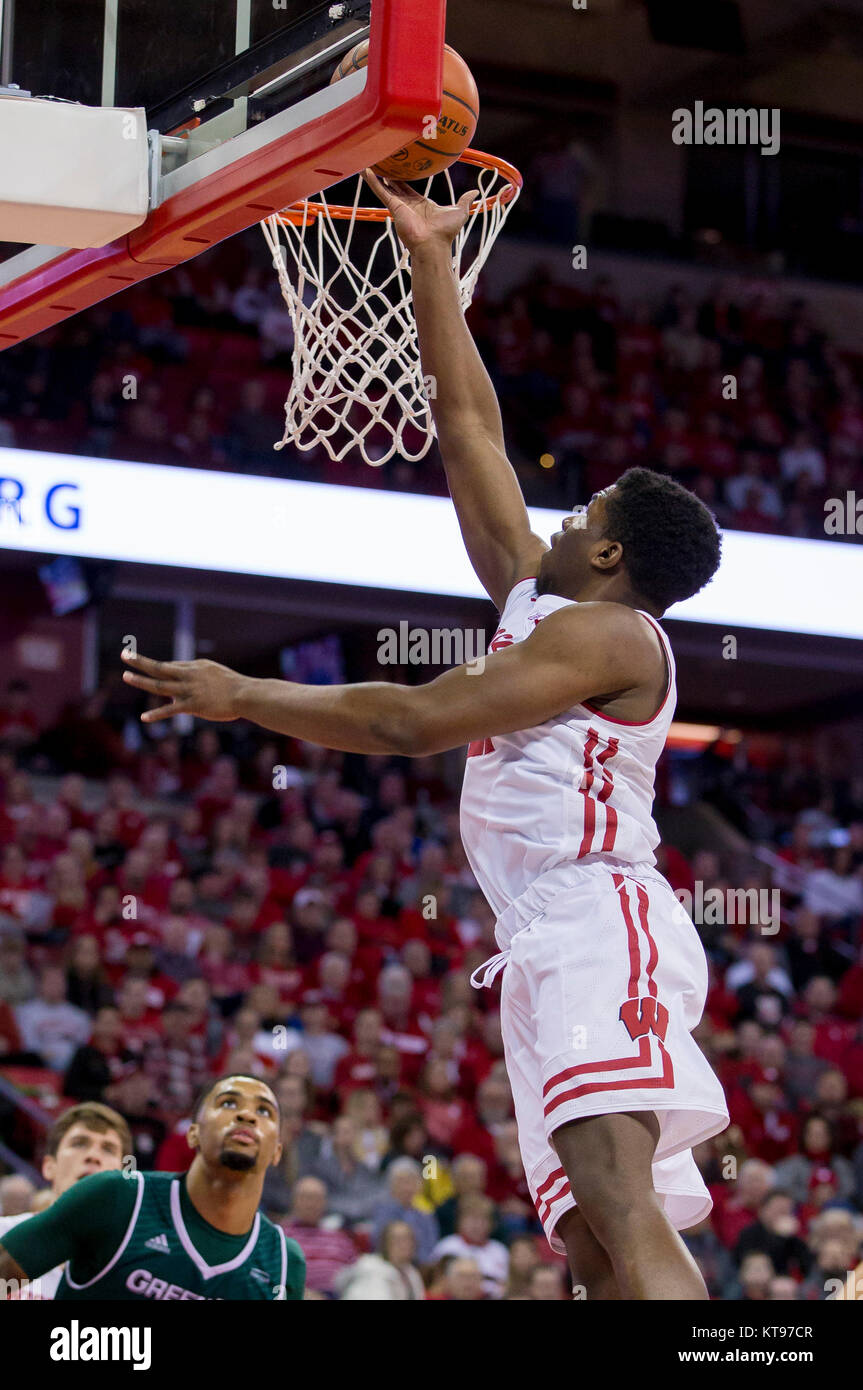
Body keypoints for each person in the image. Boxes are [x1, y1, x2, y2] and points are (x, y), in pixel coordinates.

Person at [119, 173, 729, 1301]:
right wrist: (430, 258)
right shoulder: (541, 609)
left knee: (616, 1192)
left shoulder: (613, 637)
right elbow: (466, 429)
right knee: (590, 1240)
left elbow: (410, 720)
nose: (554, 515)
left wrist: (244, 692)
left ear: (607, 557)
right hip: (541, 934)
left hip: (600, 911)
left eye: (579, 512)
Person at [0, 1074, 305, 1300]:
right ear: (193, 1134)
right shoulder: (117, 1197)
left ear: (278, 1151)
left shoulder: (283, 1262)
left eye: (264, 1111)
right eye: (228, 1103)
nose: (247, 1115)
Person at [0, 1102, 129, 1298]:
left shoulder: (138, 1274)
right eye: (79, 1143)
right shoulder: (3, 1234)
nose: (93, 1156)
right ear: (49, 1166)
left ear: (125, 1176)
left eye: (108, 1149)